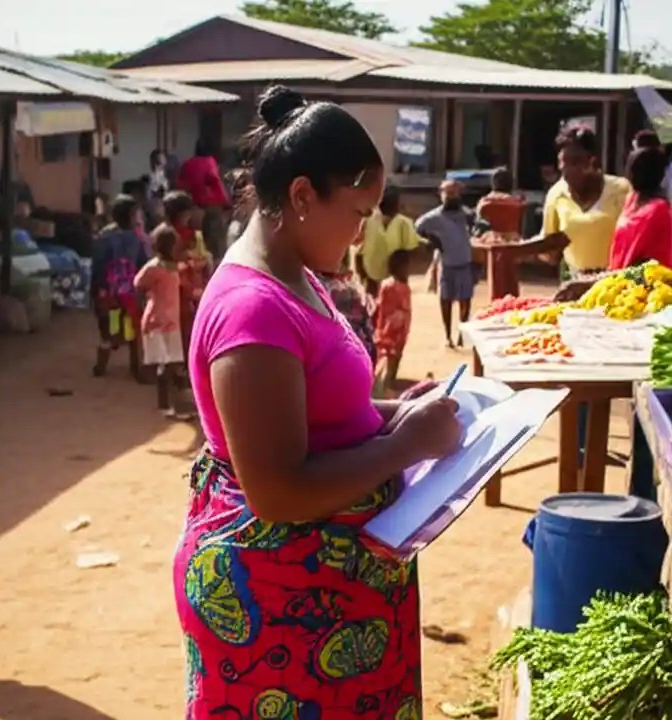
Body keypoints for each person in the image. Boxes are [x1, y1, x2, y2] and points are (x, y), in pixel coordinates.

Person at [175, 85, 462, 717]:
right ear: (303, 196)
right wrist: (407, 444)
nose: (363, 231)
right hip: (277, 610)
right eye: (358, 211)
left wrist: (399, 413)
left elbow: (325, 414)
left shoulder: (297, 278)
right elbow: (278, 488)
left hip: (329, 598)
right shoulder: (252, 309)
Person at [540, 124, 632, 280]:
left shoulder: (622, 190)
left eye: (574, 162)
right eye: (562, 163)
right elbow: (549, 252)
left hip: (616, 284)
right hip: (576, 286)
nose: (566, 170)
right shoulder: (556, 195)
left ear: (592, 161)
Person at [91, 196, 150, 380]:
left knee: (107, 328)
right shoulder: (137, 237)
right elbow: (143, 262)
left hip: (110, 291)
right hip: (128, 292)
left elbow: (98, 265)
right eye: (135, 215)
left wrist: (98, 289)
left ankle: (101, 366)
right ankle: (136, 368)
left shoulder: (105, 236)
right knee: (132, 330)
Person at [134, 227, 190, 419]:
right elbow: (138, 284)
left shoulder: (173, 267)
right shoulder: (154, 267)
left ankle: (175, 404)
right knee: (164, 365)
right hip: (156, 322)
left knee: (173, 364)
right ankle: (165, 406)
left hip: (171, 322)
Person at [416, 179, 475, 349]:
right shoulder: (433, 217)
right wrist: (432, 241)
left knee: (466, 300)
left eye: (454, 193)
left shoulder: (465, 214)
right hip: (447, 264)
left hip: (464, 261)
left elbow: (477, 225)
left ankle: (462, 334)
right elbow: (418, 228)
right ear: (441, 195)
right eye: (448, 193)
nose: (451, 197)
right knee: (446, 300)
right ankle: (448, 335)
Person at [155, 190, 212, 358]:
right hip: (172, 285)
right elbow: (166, 260)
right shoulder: (167, 234)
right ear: (181, 214)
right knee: (179, 325)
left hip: (186, 286)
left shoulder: (189, 233)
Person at [610, 147, 672, 271]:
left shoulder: (659, 209)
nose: (630, 175)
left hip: (648, 285)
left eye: (636, 170)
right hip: (618, 281)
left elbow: (647, 261)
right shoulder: (631, 200)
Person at [356, 184, 420, 296]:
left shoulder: (404, 223)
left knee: (393, 308)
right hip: (372, 273)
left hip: (395, 276)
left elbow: (410, 251)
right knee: (371, 305)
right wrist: (361, 272)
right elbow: (359, 247)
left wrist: (401, 275)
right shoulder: (368, 219)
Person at [177, 138, 230, 260]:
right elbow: (215, 181)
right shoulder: (210, 162)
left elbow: (181, 185)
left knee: (196, 243)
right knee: (215, 243)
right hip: (211, 206)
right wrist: (226, 202)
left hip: (193, 207)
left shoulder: (187, 164)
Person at [375, 249, 413, 389]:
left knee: (397, 356)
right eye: (405, 266)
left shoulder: (401, 285)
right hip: (390, 329)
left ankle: (389, 382)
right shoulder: (390, 286)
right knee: (389, 358)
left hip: (401, 328)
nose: (407, 269)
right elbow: (382, 309)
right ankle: (386, 385)